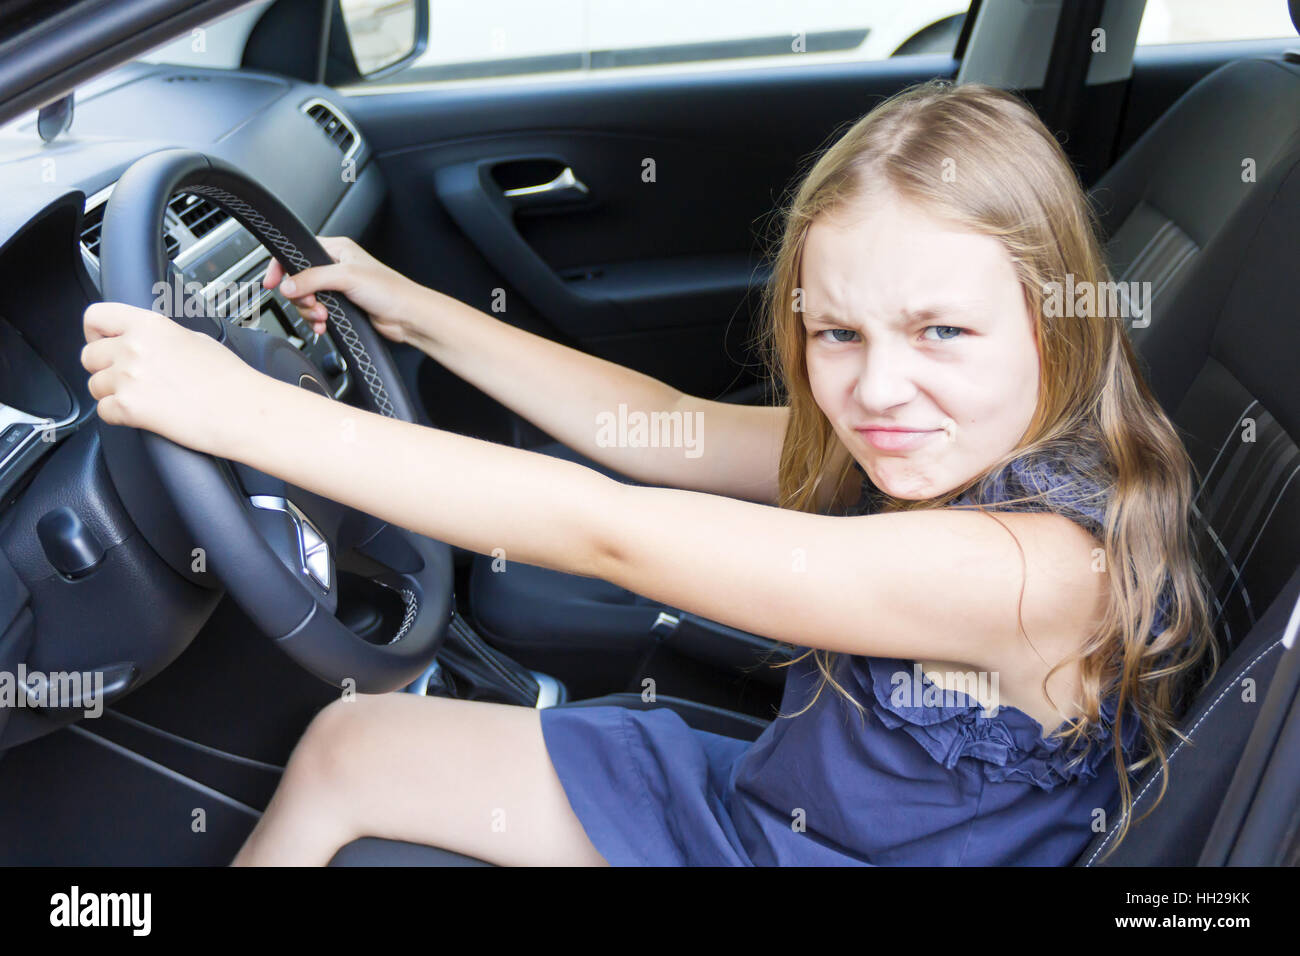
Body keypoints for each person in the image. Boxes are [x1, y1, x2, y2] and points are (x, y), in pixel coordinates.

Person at [80, 80, 1215, 866]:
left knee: (354, 746)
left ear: (1055, 327)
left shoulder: (1027, 567)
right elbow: (660, 423)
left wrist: (239, 408)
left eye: (941, 333)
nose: (876, 389)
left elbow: (607, 531)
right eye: (837, 333)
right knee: (348, 741)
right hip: (788, 808)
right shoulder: (939, 446)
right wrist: (413, 311)